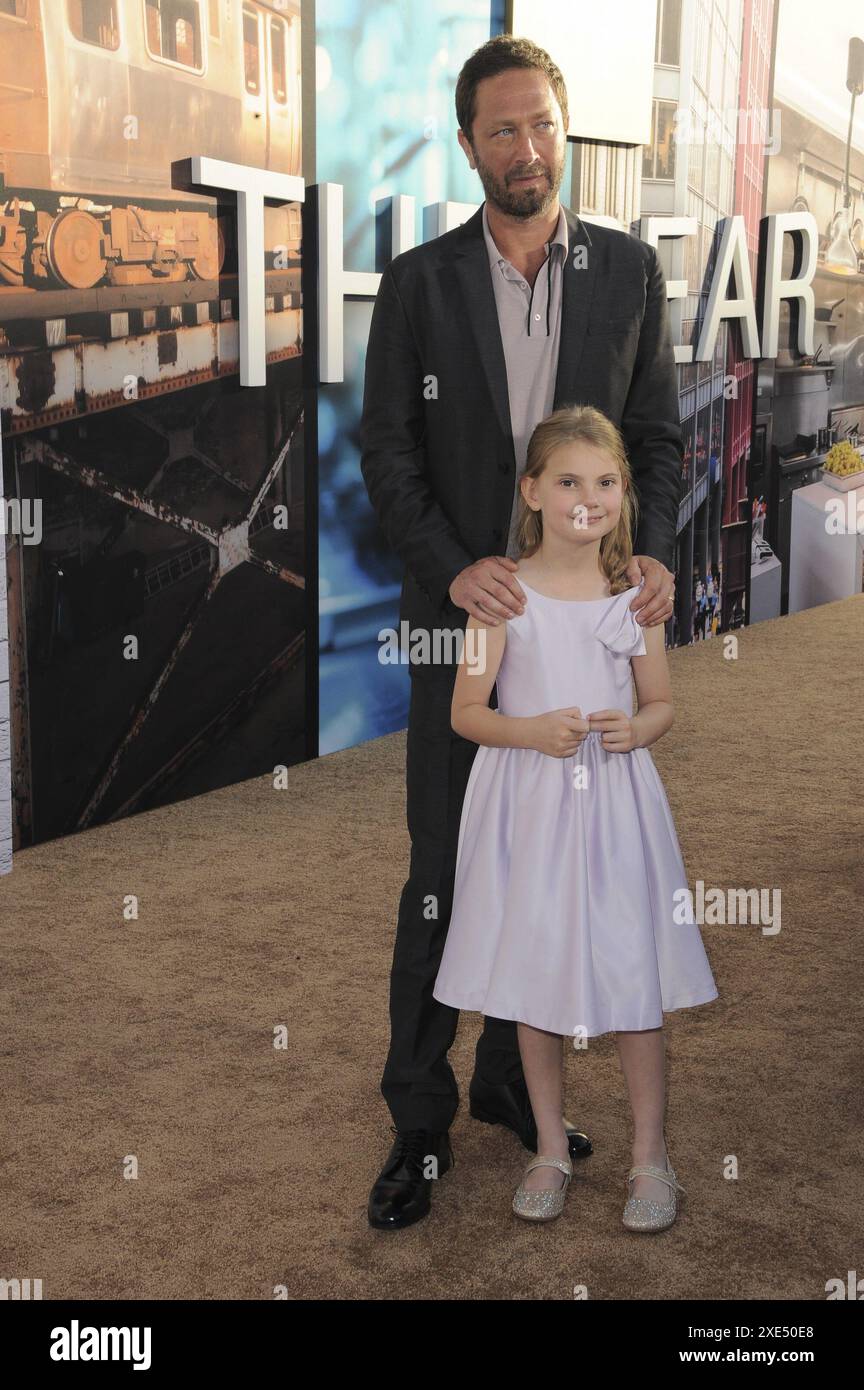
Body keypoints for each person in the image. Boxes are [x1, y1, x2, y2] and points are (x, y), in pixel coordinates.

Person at [360, 34, 683, 1231]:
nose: (527, 147)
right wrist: (460, 575)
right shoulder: (419, 282)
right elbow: (386, 450)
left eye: (542, 123)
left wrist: (646, 560)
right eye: (502, 129)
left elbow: (655, 441)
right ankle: (418, 1117)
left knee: (557, 864)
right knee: (446, 868)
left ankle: (510, 1081)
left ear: (564, 127)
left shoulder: (632, 273)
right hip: (468, 626)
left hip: (587, 625)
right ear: (469, 146)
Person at [433, 405, 718, 1228]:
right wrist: (528, 732)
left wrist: (637, 729)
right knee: (533, 975)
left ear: (624, 493)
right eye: (567, 481)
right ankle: (549, 1146)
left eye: (604, 482)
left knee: (632, 977)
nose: (586, 499)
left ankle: (649, 1157)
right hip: (529, 804)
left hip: (617, 805)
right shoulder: (499, 594)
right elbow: (465, 710)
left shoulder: (633, 595)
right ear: (532, 490)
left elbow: (660, 701)